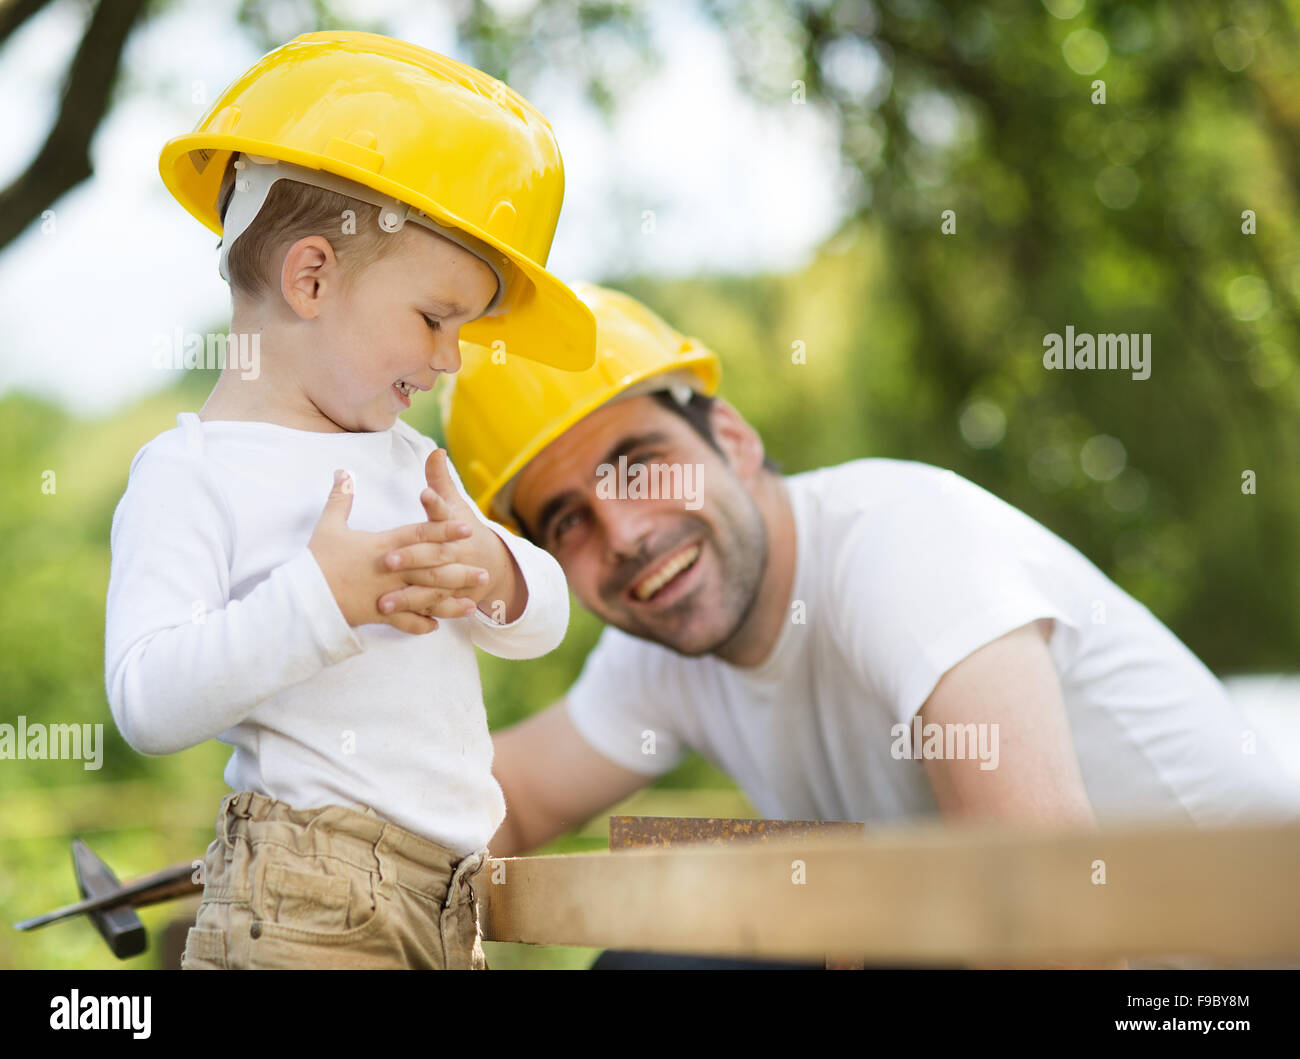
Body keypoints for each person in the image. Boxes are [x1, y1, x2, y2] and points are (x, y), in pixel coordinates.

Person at [441, 283, 1300, 969]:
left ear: (733, 440)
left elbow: (1055, 925)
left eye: (640, 468)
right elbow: (490, 806)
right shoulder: (661, 654)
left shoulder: (899, 542)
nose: (624, 534)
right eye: (567, 522)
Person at [104, 31, 594, 970]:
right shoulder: (192, 471)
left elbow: (542, 621)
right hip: (305, 905)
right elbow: (147, 699)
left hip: (451, 905)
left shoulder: (411, 462)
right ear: (313, 278)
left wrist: (498, 570)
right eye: (435, 318)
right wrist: (315, 601)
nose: (452, 357)